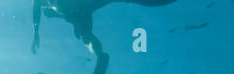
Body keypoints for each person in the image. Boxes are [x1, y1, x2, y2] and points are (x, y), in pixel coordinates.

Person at [32, 0, 177, 55]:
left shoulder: (55, 10)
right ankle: (99, 57)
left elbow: (36, 7)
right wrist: (35, 32)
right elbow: (36, 7)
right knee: (86, 37)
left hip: (80, 10)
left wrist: (36, 33)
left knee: (85, 37)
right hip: (79, 12)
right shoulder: (52, 9)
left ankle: (99, 57)